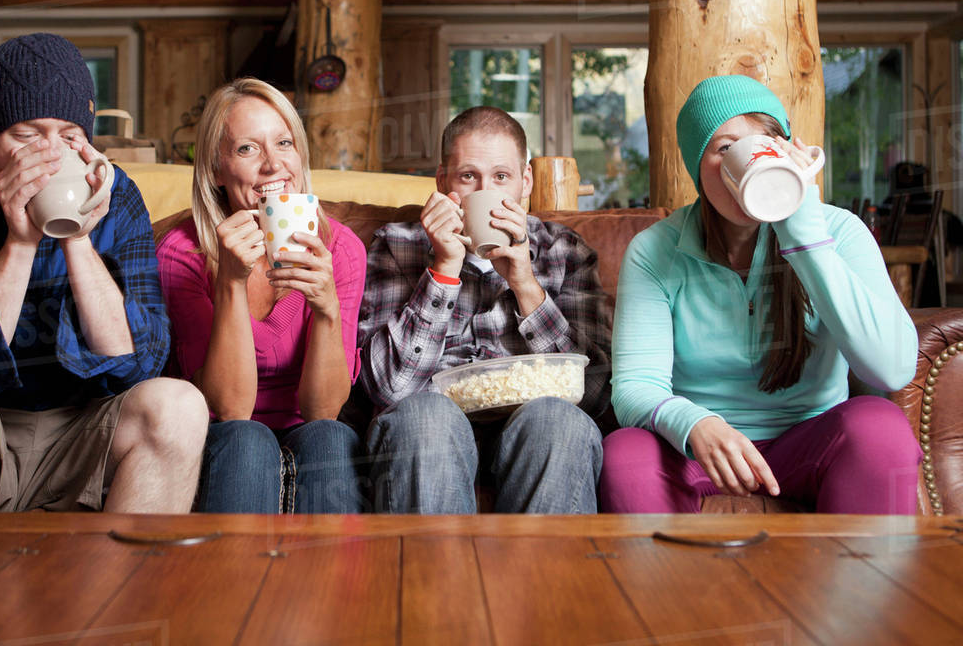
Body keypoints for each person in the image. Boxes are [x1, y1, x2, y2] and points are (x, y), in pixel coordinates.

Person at [0, 33, 208, 515]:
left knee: (179, 406)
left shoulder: (115, 193)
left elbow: (141, 362)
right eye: (26, 135)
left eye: (70, 137)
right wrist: (19, 244)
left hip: (75, 433)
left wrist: (77, 237)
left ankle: (129, 589)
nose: (50, 155)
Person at [600, 74, 922, 514]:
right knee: (626, 453)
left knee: (880, 426)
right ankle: (662, 583)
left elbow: (893, 369)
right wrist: (695, 424)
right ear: (699, 166)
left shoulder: (839, 232)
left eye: (767, 140)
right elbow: (636, 386)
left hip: (808, 440)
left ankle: (861, 583)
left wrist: (804, 236)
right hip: (699, 449)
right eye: (726, 147)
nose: (749, 160)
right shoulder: (655, 251)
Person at [359, 106, 612, 514]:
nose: (485, 191)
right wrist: (442, 270)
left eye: (501, 176)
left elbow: (596, 394)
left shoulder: (564, 251)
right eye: (467, 176)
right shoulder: (395, 245)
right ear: (443, 182)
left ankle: (547, 580)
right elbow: (390, 388)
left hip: (533, 430)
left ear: (525, 180)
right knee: (426, 418)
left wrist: (525, 285)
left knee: (558, 422)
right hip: (429, 429)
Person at [156, 78, 367, 513]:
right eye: (248, 149)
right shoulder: (181, 254)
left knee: (331, 438)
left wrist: (326, 308)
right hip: (227, 436)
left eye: (284, 143)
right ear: (216, 169)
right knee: (245, 438)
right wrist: (231, 282)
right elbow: (229, 409)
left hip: (311, 428)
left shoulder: (342, 249)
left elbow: (323, 411)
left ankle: (331, 581)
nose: (274, 166)